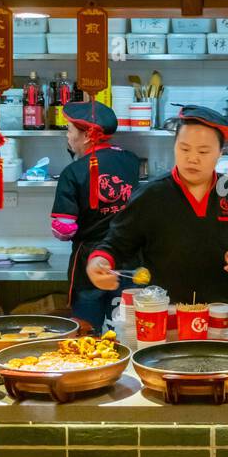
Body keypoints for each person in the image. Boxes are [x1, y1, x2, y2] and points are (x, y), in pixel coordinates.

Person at [86, 105, 228, 305]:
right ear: (174, 147)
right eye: (184, 148)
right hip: (162, 315)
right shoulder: (151, 195)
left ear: (220, 153)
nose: (192, 158)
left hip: (220, 314)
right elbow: (114, 246)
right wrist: (98, 264)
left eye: (203, 151)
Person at [50, 101, 141, 331]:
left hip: (90, 262)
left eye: (70, 130)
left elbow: (64, 229)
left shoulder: (72, 172)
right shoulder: (131, 161)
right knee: (125, 330)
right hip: (128, 257)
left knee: (86, 331)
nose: (67, 137)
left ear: (87, 136)